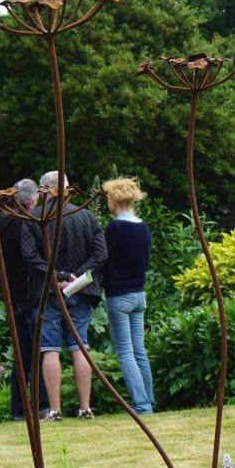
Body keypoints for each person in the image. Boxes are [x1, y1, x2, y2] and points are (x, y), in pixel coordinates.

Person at [21, 170, 107, 421]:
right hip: (79, 289)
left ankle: (55, 410)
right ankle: (85, 408)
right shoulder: (87, 217)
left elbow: (30, 257)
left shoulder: (33, 219)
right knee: (80, 346)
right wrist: (74, 277)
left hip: (46, 291)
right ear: (68, 189)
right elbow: (101, 255)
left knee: (50, 349)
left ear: (44, 191)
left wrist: (57, 276)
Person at [0, 178, 50, 421]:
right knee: (38, 351)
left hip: (9, 294)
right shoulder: (24, 223)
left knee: (21, 355)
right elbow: (31, 257)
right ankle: (41, 405)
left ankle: (18, 409)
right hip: (29, 292)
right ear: (31, 203)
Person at [101, 177, 154, 415]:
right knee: (139, 350)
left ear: (114, 200)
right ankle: (148, 400)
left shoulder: (115, 228)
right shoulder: (143, 226)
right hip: (139, 294)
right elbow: (145, 261)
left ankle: (141, 405)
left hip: (119, 295)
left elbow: (105, 260)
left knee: (125, 352)